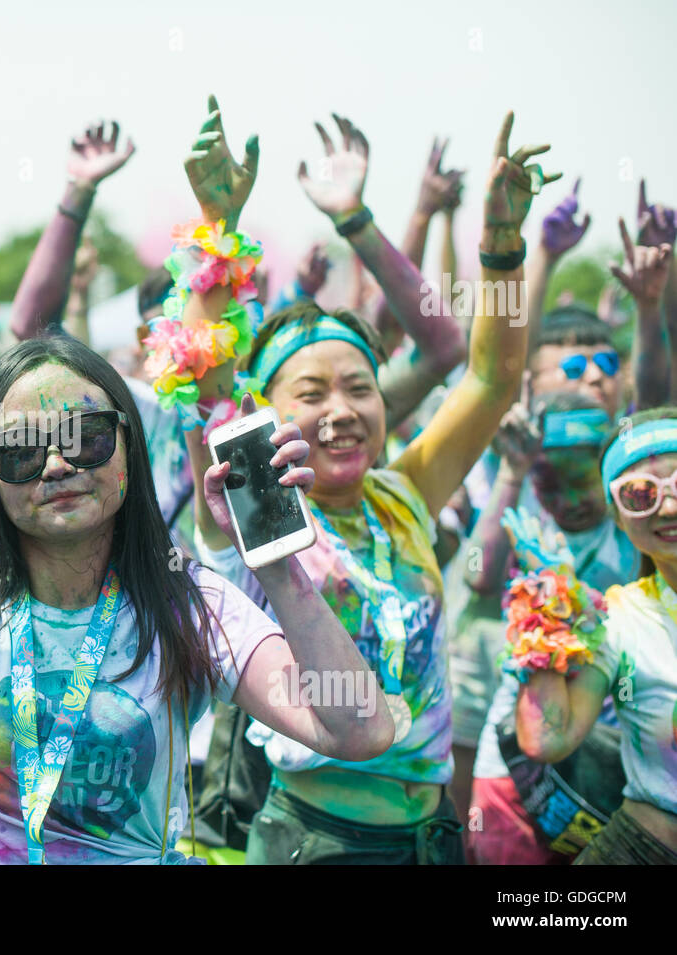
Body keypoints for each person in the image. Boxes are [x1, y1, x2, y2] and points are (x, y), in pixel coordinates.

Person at [0, 45, 394, 865]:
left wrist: (276, 564)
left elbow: (359, 728)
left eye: (87, 435)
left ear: (130, 452)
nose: (59, 463)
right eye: (24, 449)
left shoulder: (190, 600)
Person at [186, 110, 554, 863]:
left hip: (432, 834)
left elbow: (490, 376)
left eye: (359, 386)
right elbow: (199, 383)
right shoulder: (259, 513)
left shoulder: (404, 492)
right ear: (264, 413)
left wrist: (503, 246)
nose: (342, 410)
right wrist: (217, 223)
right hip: (318, 842)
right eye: (311, 393)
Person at [457, 388, 634, 863]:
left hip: (611, 758)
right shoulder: (526, 521)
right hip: (519, 766)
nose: (568, 499)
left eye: (582, 481)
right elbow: (478, 573)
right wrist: (512, 475)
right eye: (549, 487)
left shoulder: (635, 527)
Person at [515, 408, 677, 864]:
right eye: (641, 494)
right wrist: (547, 608)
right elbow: (547, 739)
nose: (668, 506)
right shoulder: (620, 618)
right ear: (619, 520)